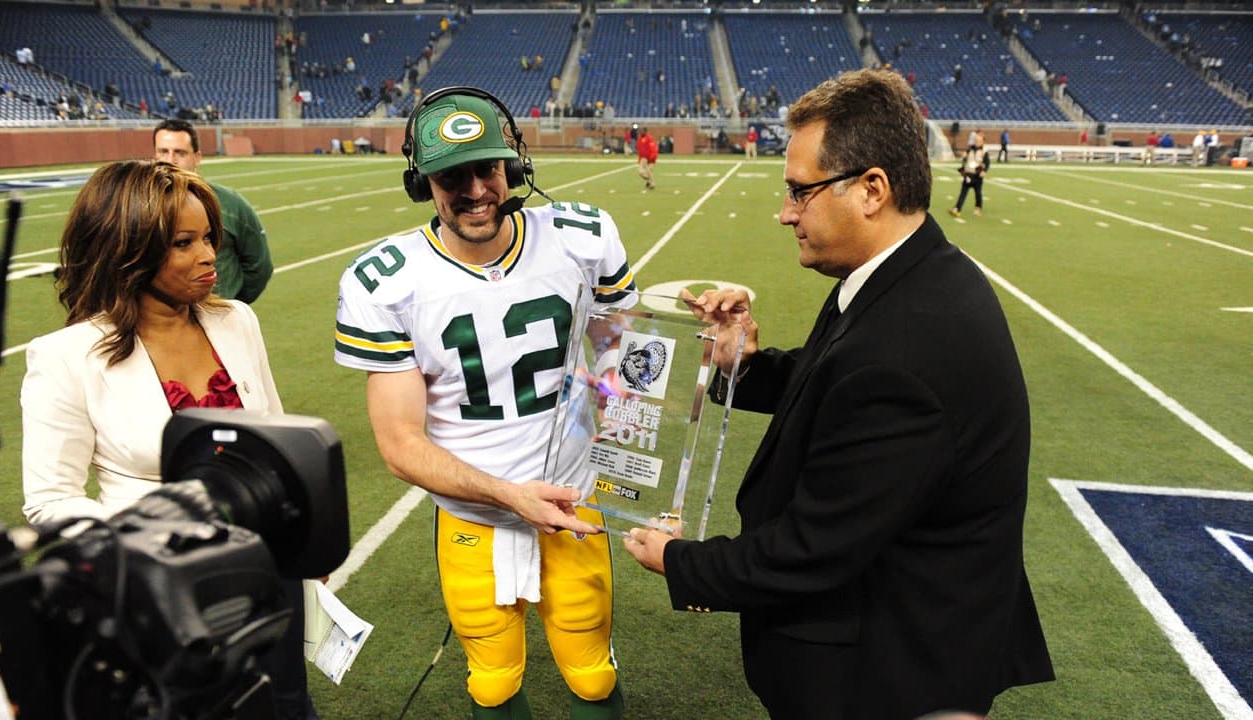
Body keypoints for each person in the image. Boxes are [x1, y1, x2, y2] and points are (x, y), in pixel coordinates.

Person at [622, 69, 1053, 720]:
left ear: (872, 190)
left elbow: (812, 547)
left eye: (801, 192)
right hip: (906, 637)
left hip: (891, 673)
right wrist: (745, 363)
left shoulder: (910, 349)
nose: (786, 212)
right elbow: (833, 375)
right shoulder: (910, 276)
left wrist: (681, 562)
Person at [334, 87, 634, 719]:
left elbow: (618, 360)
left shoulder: (581, 237)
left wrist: (620, 422)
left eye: (487, 169)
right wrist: (507, 492)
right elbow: (399, 443)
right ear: (423, 184)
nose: (474, 190)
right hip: (474, 513)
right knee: (493, 679)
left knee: (590, 672)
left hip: (574, 496)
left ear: (515, 167)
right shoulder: (388, 281)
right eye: (451, 176)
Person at [20, 160, 319, 720]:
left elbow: (277, 437)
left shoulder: (236, 320)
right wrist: (140, 553)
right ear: (125, 248)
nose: (208, 257)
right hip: (162, 596)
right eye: (184, 242)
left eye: (209, 237)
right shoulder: (64, 356)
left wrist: (304, 533)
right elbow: (51, 499)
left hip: (265, 570)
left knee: (282, 704)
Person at [153, 119, 273, 303]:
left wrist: (229, 304)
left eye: (180, 153)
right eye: (163, 151)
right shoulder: (141, 204)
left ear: (197, 157)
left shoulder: (231, 205)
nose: (170, 160)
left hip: (217, 318)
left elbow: (259, 267)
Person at [951, 138, 990, 217]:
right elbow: (965, 160)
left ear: (982, 142)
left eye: (978, 141)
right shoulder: (969, 150)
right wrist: (962, 169)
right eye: (975, 141)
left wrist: (984, 171)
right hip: (968, 174)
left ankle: (978, 208)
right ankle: (957, 209)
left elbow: (987, 162)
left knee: (978, 193)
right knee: (963, 193)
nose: (976, 142)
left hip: (977, 176)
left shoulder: (983, 152)